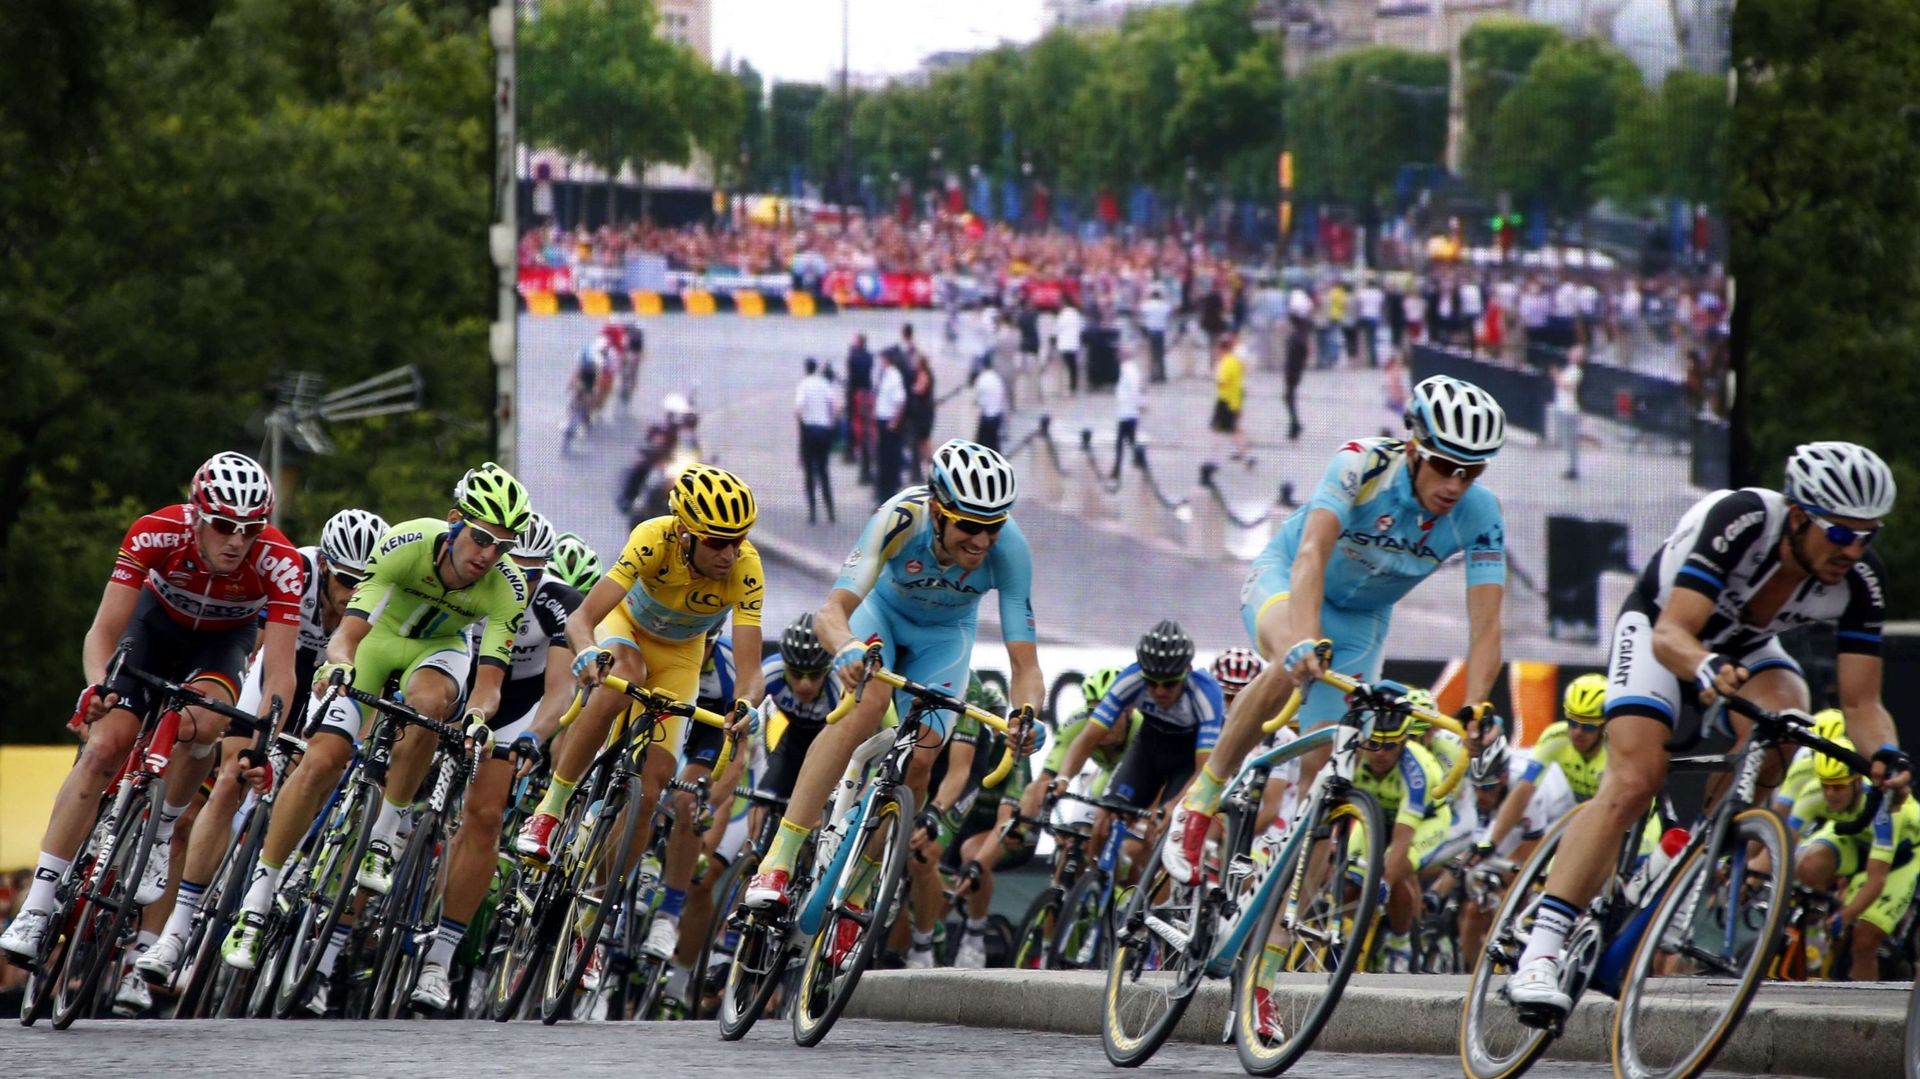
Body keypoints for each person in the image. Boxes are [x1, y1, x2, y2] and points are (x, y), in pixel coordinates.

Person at [1506, 441, 1904, 1019]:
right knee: (1635, 779)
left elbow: (1862, 702)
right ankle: (1540, 951)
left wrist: (1888, 755)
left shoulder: (1860, 579)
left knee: (1787, 725)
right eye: (1839, 533)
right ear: (1798, 516)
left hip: (1745, 648)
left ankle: (1701, 853)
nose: (1854, 548)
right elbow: (1673, 635)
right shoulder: (1742, 521)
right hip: (1662, 630)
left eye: (1868, 534)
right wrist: (1703, 667)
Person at [1163, 376, 1511, 887]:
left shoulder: (1481, 515)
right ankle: (1201, 799)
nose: (1456, 484)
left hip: (1361, 623)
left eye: (1472, 470)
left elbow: (1486, 628)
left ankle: (1275, 937)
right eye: (1444, 465)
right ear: (1414, 447)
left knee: (1326, 774)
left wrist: (1477, 707)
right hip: (1291, 581)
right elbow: (1311, 555)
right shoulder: (1361, 464)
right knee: (1288, 665)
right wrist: (1305, 639)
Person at [218, 463, 534, 970]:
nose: (489, 555)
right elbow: (347, 633)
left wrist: (476, 716)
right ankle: (257, 899)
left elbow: (489, 684)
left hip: (440, 649)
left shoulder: (508, 587)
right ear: (455, 521)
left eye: (503, 546)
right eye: (480, 538)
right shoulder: (406, 542)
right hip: (376, 640)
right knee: (323, 760)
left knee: (433, 707)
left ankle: (383, 836)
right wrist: (338, 666)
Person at [0, 454, 300, 975]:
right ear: (196, 516)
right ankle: (36, 906)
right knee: (102, 748)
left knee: (207, 723)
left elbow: (279, 672)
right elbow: (104, 630)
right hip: (152, 633)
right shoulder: (155, 532)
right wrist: (98, 686)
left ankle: (160, 832)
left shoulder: (280, 561)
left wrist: (265, 740)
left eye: (251, 530)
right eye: (224, 526)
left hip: (222, 646)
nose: (237, 541)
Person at [743, 440, 1043, 923]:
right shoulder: (901, 518)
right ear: (937, 510)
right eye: (969, 525)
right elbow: (832, 612)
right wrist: (846, 648)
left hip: (945, 638)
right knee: (867, 703)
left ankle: (858, 893)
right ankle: (778, 859)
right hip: (879, 616)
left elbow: (1025, 666)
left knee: (923, 757)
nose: (982, 542)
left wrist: (1026, 715)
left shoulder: (1010, 549)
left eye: (993, 527)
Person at [128, 507, 386, 1009]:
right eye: (345, 579)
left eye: (363, 582)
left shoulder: (381, 603)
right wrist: (259, 741)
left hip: (338, 681)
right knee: (231, 776)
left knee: (325, 769)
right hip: (278, 670)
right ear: (327, 565)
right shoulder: (299, 572)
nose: (351, 592)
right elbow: (262, 657)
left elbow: (374, 682)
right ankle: (176, 931)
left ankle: (285, 885)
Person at [514, 465, 764, 967]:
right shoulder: (653, 538)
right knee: (616, 680)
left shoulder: (746, 567)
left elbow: (750, 670)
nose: (730, 553)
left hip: (681, 655)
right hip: (624, 628)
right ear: (685, 533)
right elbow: (584, 617)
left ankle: (589, 922)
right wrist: (585, 652)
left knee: (651, 792)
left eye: (737, 541)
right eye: (717, 542)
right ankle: (551, 809)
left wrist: (746, 709)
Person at [406, 512, 582, 1011]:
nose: (518, 582)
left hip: (512, 701)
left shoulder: (557, 603)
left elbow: (558, 691)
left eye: (531, 572)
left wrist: (532, 736)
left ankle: (440, 960)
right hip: (452, 677)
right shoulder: (465, 575)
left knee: (484, 816)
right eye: (512, 567)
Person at [1049, 621, 1226, 878]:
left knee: (1165, 836)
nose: (1159, 691)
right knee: (1104, 819)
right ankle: (1091, 890)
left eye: (1169, 684)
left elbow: (1204, 770)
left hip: (1188, 764)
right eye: (1152, 683)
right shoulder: (1131, 678)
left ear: (1186, 672)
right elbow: (1088, 738)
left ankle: (1149, 905)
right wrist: (1063, 777)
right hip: (1148, 752)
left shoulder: (1206, 693)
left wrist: (1174, 805)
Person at [1791, 739, 1920, 980]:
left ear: (1858, 782)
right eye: (1825, 785)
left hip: (1902, 857)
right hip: (1856, 841)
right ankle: (1819, 924)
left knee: (1863, 941)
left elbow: (1877, 879)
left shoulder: (1886, 810)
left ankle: (1865, 1012)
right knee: (1807, 865)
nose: (1830, 794)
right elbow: (1785, 842)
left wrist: (1845, 916)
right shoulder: (1813, 792)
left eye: (1839, 787)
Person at [795, 356, 839, 525]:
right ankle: (830, 511)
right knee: (823, 471)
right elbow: (836, 405)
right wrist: (831, 424)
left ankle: (812, 511)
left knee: (809, 473)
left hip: (809, 430)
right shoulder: (824, 383)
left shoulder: (804, 385)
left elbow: (798, 408)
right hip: (824, 430)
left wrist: (802, 425)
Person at [872, 348, 909, 503]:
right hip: (882, 420)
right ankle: (882, 490)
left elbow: (900, 401)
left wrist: (894, 421)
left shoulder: (894, 376)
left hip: (889, 422)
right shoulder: (884, 374)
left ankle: (888, 492)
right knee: (882, 457)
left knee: (889, 459)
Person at [1211, 334, 1250, 462]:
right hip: (1235, 399)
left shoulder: (1226, 363)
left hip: (1225, 401)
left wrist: (1216, 370)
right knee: (1234, 429)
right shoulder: (1236, 361)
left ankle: (1213, 458)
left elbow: (1222, 381)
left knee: (1218, 429)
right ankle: (1243, 453)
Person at [845, 333, 875, 483]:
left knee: (854, 422)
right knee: (865, 423)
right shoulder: (869, 357)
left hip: (855, 392)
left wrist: (852, 350)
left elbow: (851, 369)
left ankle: (852, 450)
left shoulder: (854, 356)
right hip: (866, 391)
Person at [1553, 345, 1585, 480]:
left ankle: (1573, 468)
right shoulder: (1570, 369)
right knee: (1567, 440)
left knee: (1570, 440)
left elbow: (1566, 386)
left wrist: (1556, 375)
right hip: (1563, 408)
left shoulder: (1576, 371)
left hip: (1569, 410)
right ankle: (1571, 466)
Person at [1112, 345, 1143, 480]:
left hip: (1128, 412)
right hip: (1126, 411)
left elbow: (1134, 389)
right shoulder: (1128, 369)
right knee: (1130, 441)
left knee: (1121, 443)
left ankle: (1117, 470)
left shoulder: (1129, 370)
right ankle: (1137, 462)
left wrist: (1139, 404)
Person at [907, 351, 937, 476]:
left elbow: (919, 390)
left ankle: (928, 462)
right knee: (924, 439)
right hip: (925, 410)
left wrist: (910, 388)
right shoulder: (926, 373)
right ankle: (927, 462)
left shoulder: (923, 374)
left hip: (923, 412)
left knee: (923, 439)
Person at [973, 353, 1007, 453]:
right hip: (997, 416)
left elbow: (978, 401)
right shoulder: (996, 378)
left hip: (987, 417)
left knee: (980, 444)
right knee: (994, 444)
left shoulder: (982, 379)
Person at [1139, 285, 1172, 383]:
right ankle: (1162, 375)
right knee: (1160, 354)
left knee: (1152, 354)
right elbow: (1170, 311)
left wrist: (1145, 296)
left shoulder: (1148, 305)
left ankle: (1153, 375)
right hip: (1161, 331)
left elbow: (1141, 310)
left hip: (1151, 331)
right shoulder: (1164, 305)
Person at [1054, 300, 1084, 394]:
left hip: (1063, 344)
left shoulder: (1062, 315)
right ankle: (1073, 387)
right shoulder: (1076, 315)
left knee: (1063, 367)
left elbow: (1057, 329)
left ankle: (1061, 388)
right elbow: (1081, 328)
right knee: (1073, 367)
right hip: (1074, 344)